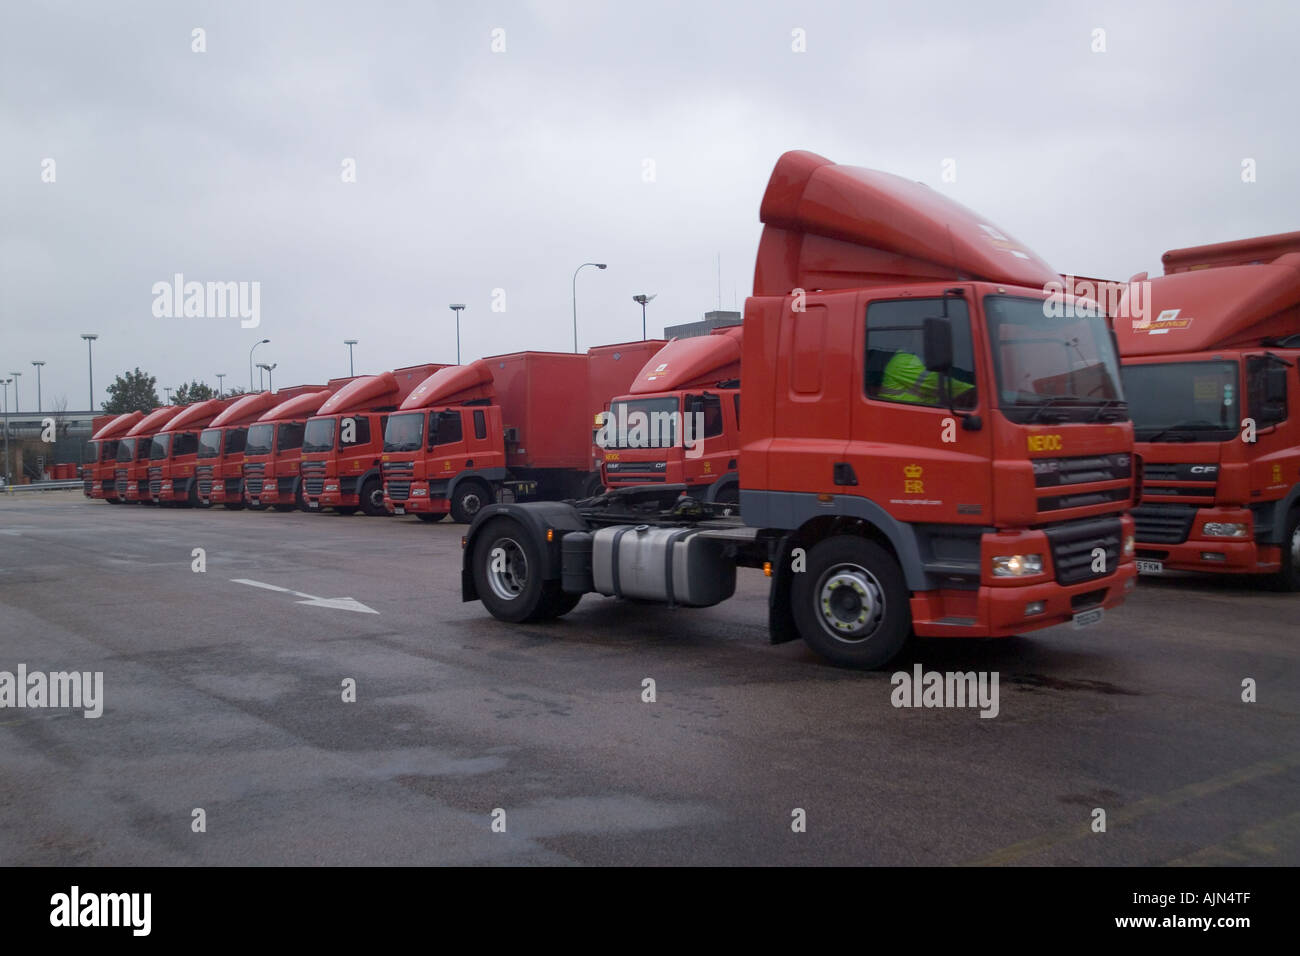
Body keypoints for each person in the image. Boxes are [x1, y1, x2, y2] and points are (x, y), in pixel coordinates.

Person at [879, 351, 974, 406]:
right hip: (903, 421)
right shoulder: (903, 362)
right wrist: (973, 389)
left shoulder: (918, 359)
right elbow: (938, 383)